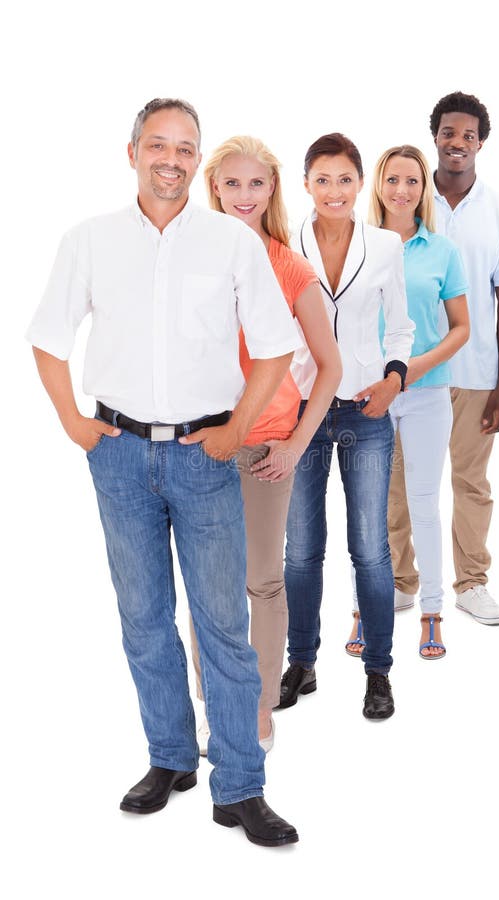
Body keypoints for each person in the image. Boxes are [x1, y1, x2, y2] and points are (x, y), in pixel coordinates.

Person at [26, 98, 303, 847]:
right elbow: (48, 341)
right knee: (144, 620)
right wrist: (75, 426)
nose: (172, 159)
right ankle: (170, 758)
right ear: (132, 153)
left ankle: (240, 786)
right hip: (115, 454)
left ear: (197, 159)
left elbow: (276, 347)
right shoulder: (89, 240)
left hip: (204, 455)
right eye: (159, 145)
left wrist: (238, 428)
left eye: (186, 147)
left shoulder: (231, 244)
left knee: (223, 626)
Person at [189, 136, 341, 751]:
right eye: (232, 184)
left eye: (256, 184)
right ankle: (216, 709)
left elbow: (329, 367)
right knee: (206, 586)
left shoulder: (290, 268)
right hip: (200, 444)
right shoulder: (194, 261)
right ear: (215, 189)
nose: (244, 196)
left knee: (261, 582)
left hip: (265, 448)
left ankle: (259, 713)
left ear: (273, 189)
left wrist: (297, 445)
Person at [278, 133, 414, 720]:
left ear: (361, 186)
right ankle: (301, 662)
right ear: (305, 185)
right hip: (302, 410)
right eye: (322, 180)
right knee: (302, 549)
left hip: (365, 410)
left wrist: (393, 378)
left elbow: (402, 328)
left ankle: (378, 671)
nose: (334, 191)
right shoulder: (284, 243)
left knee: (371, 550)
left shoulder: (385, 246)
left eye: (345, 180)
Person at [391, 92, 499, 625]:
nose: (457, 143)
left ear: (481, 143)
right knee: (396, 481)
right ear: (435, 136)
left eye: (468, 135)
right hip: (408, 375)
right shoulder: (403, 202)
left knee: (470, 482)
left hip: (474, 374)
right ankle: (401, 581)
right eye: (449, 132)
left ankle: (471, 582)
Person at [345, 145, 469, 659]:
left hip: (426, 393)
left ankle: (433, 613)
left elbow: (461, 329)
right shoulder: (358, 245)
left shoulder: (442, 251)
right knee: (366, 507)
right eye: (393, 179)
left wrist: (413, 369)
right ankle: (363, 610)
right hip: (365, 394)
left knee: (423, 503)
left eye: (412, 181)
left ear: (424, 189)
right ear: (378, 185)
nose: (402, 190)